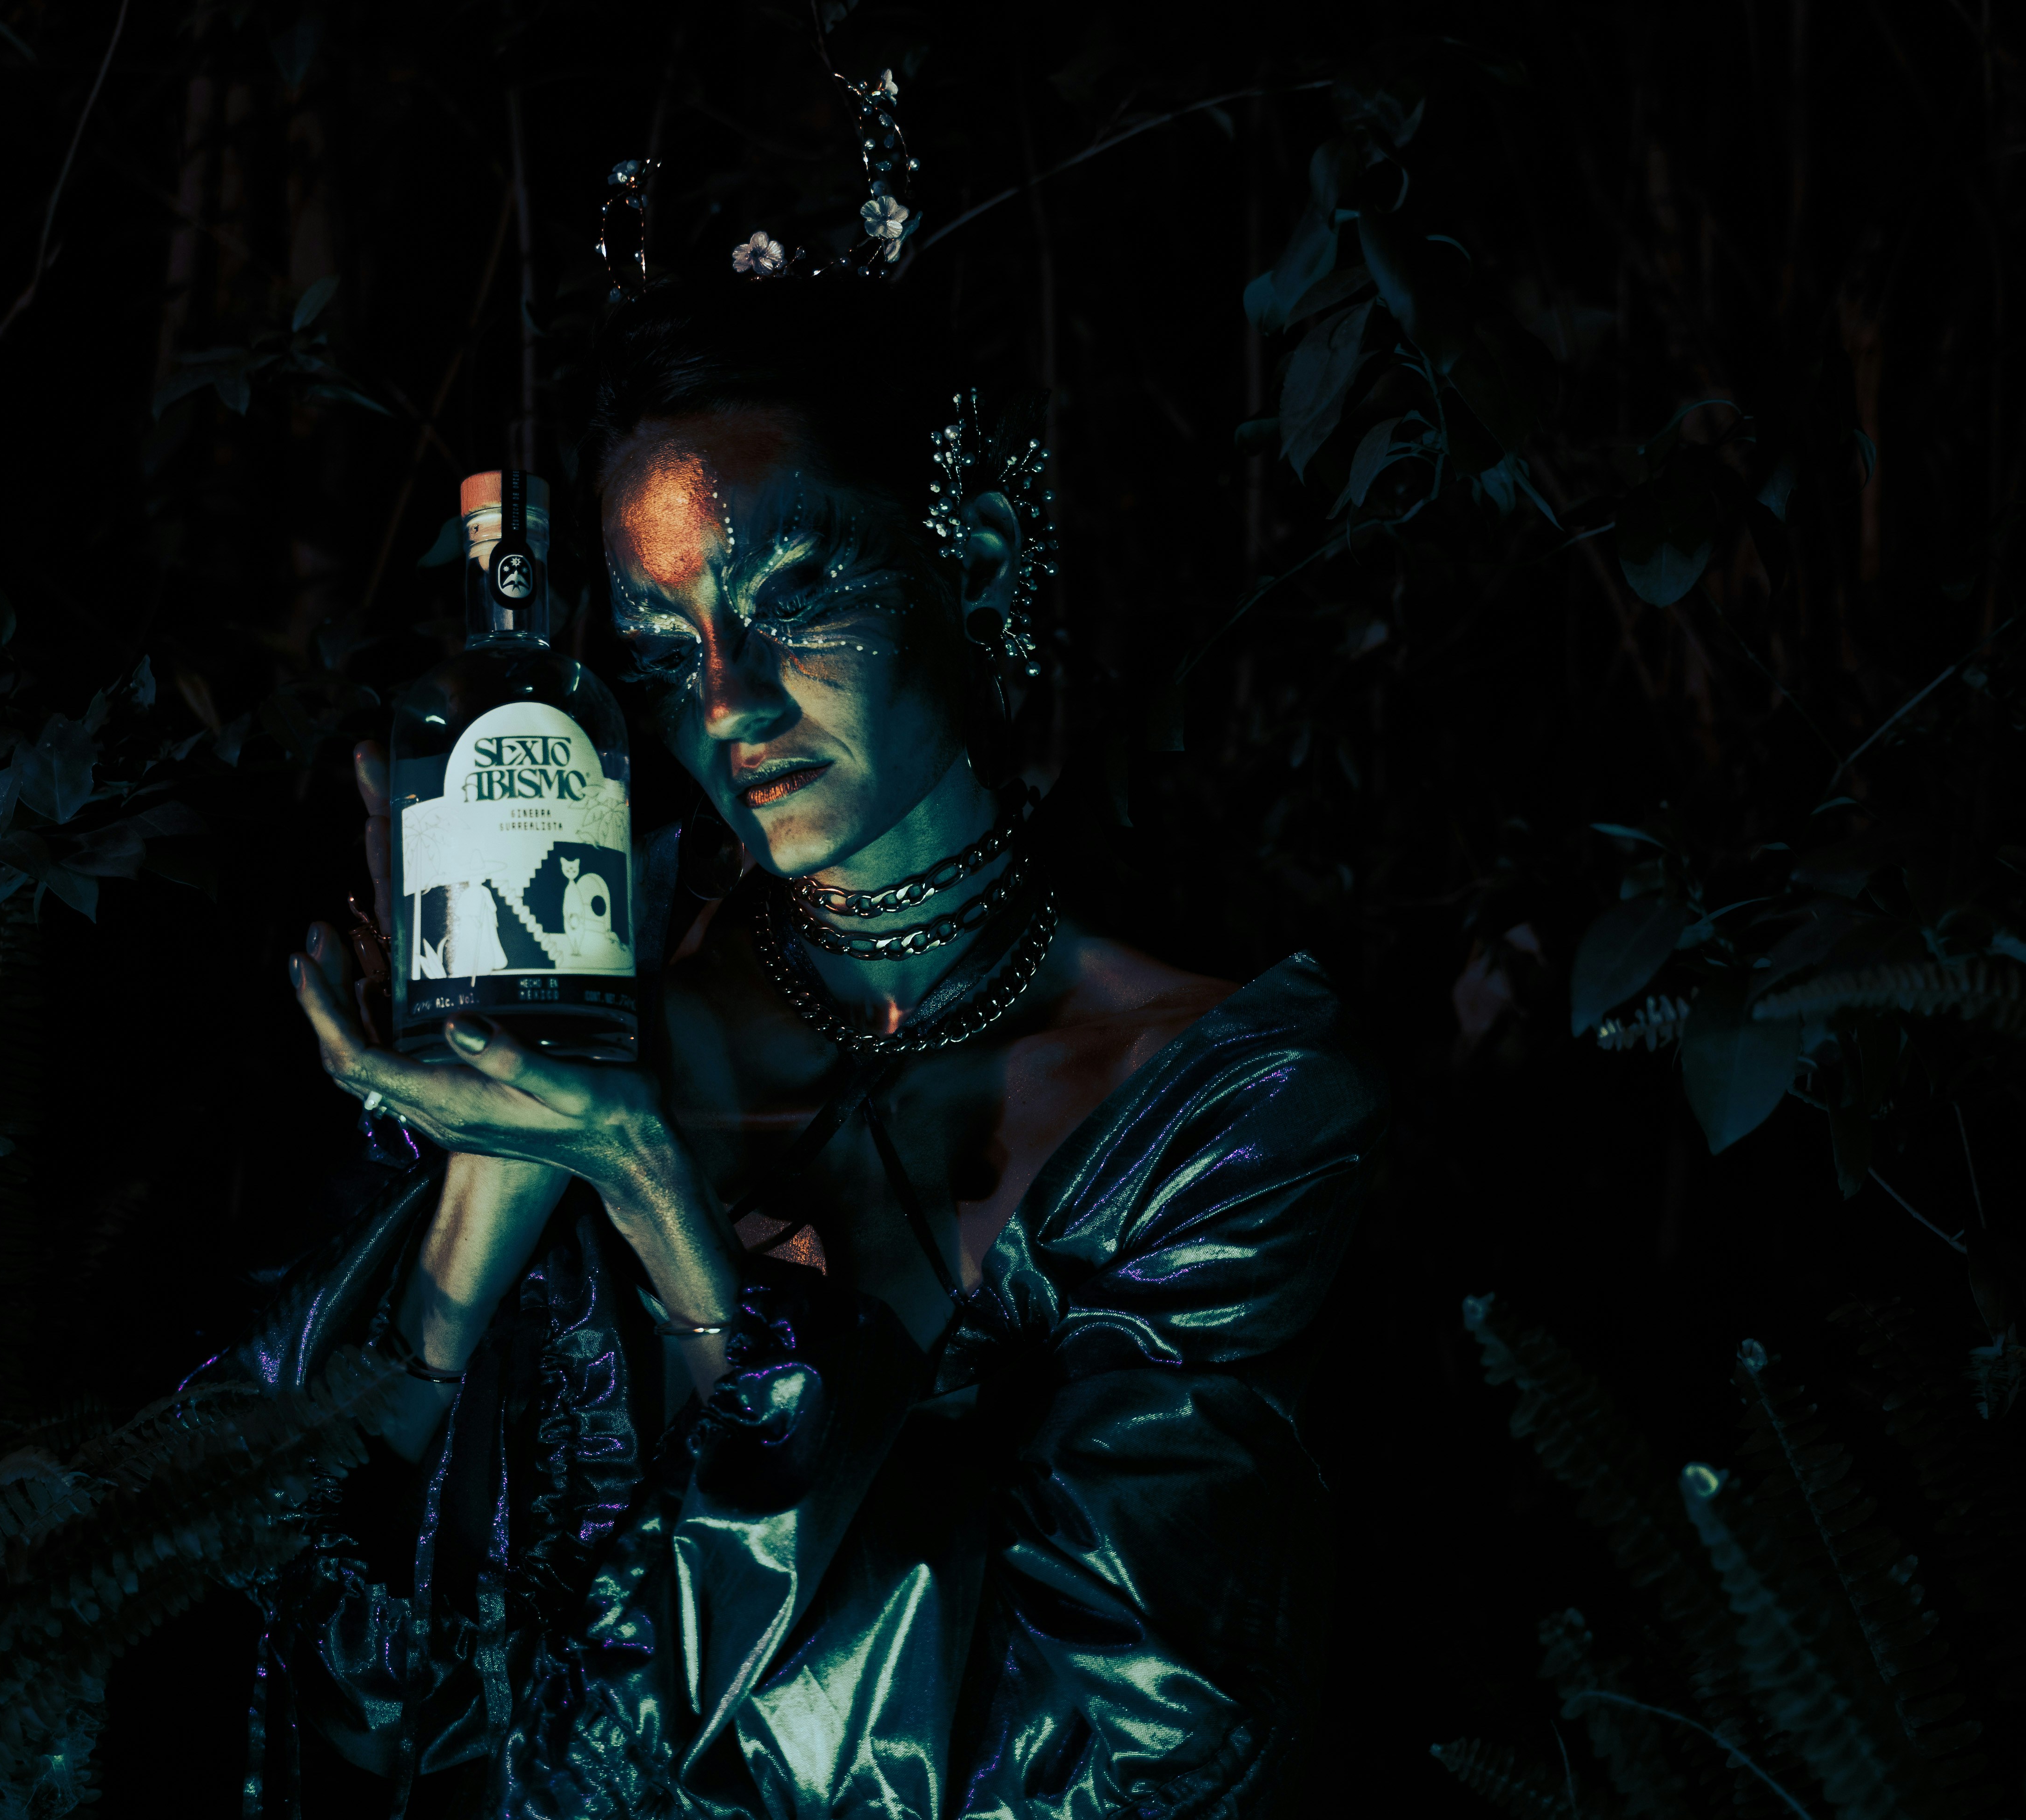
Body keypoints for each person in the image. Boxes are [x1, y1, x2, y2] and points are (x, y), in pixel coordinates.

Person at [232, 270, 1384, 1819]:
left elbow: (1106, 1763)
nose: (727, 698)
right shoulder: (581, 1052)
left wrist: (673, 1226)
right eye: (662, 647)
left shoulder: (1220, 1112)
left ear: (970, 559)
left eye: (792, 596)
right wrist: (484, 1196)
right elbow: (321, 1693)